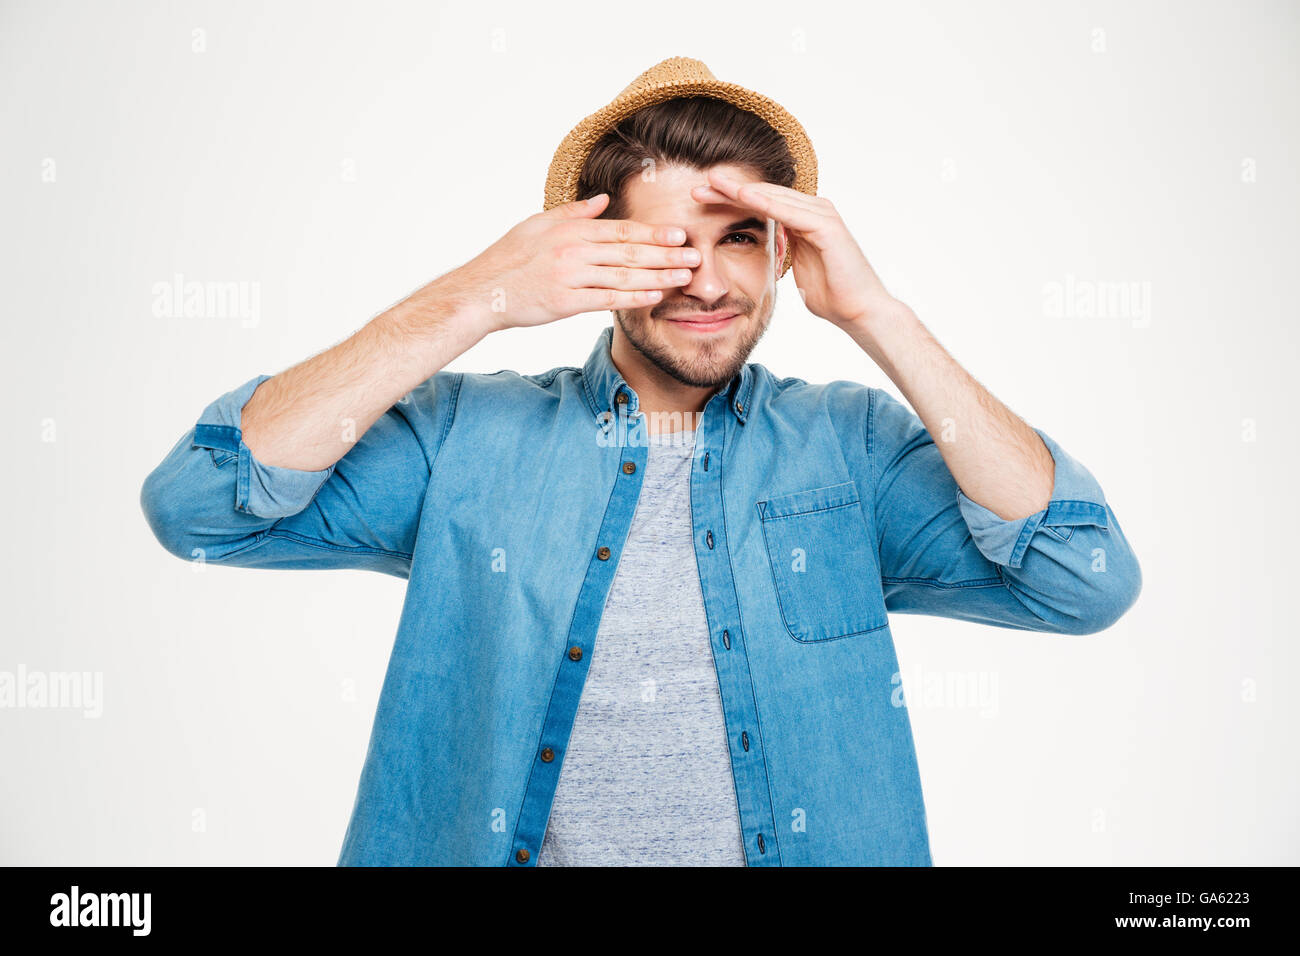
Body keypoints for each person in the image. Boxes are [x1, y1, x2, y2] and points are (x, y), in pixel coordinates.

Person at [140, 57, 1141, 866]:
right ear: (592, 252)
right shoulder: (462, 440)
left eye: (739, 238)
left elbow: (1081, 578)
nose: (704, 278)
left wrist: (878, 317)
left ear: (782, 255)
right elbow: (202, 505)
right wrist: (476, 294)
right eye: (662, 245)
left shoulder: (854, 449)